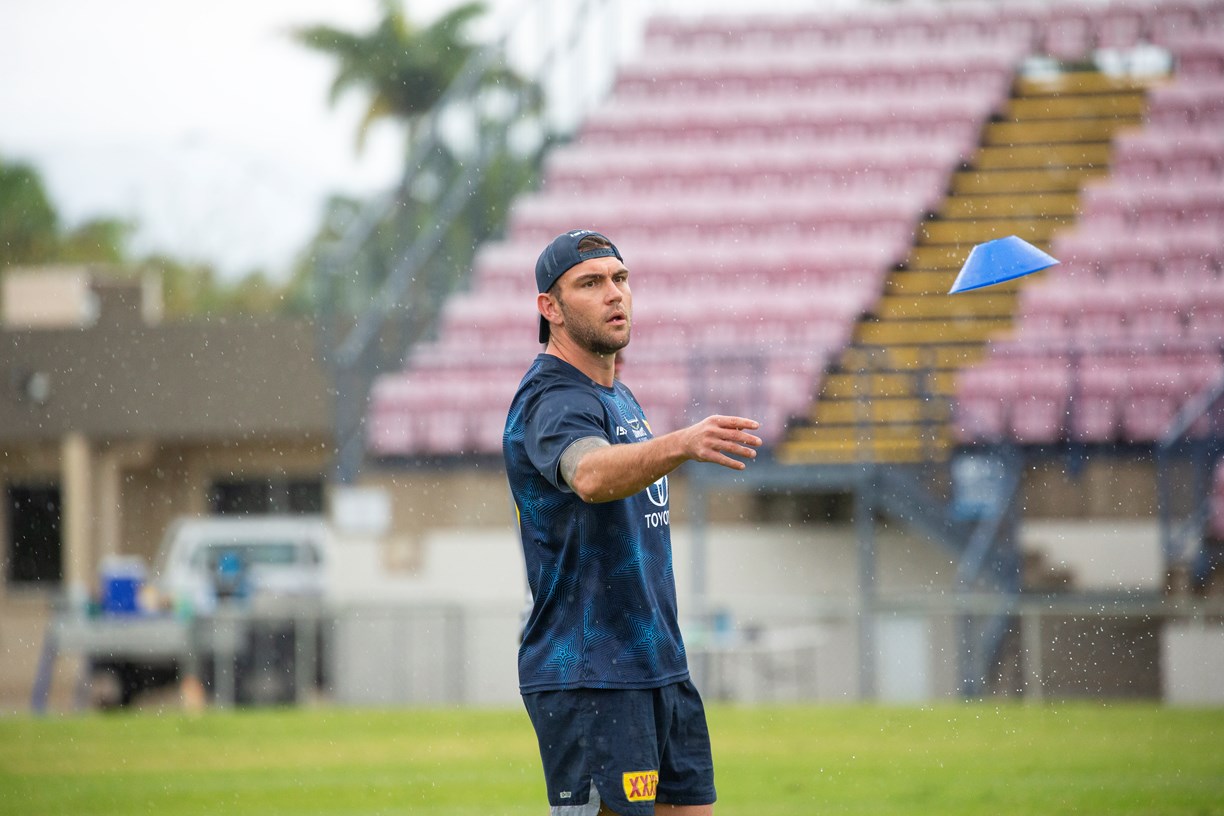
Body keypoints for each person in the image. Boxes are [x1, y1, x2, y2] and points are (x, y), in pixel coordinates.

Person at [502, 229, 762, 816]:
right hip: (593, 675)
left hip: (658, 666)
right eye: (590, 283)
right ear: (550, 308)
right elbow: (590, 475)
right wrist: (683, 443)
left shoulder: (618, 397)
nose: (614, 293)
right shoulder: (551, 398)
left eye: (620, 278)